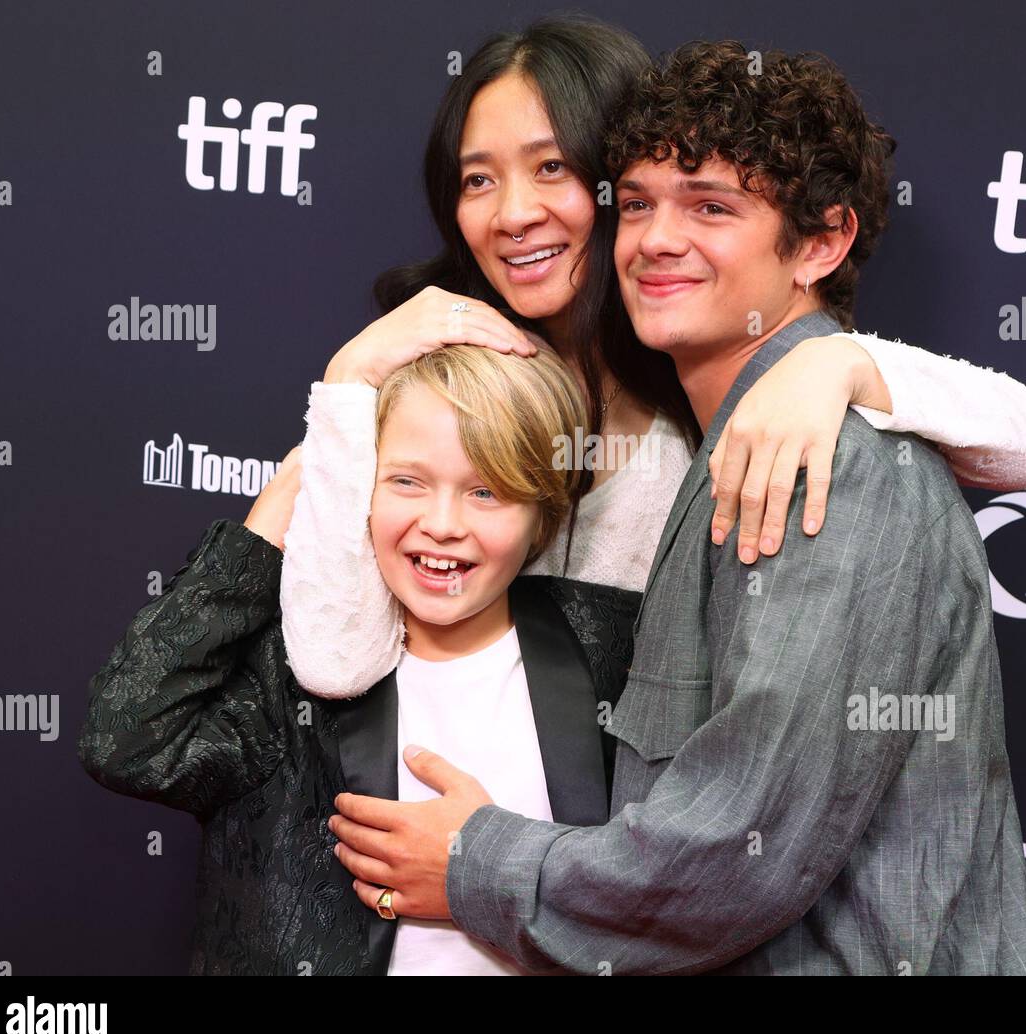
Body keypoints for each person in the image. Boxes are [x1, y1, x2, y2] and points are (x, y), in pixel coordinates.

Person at [330, 39, 1026, 976]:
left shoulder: (823, 466)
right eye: (641, 203)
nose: (657, 239)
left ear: (821, 243)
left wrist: (470, 862)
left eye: (711, 207)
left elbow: (736, 850)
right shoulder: (731, 444)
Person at [281, 13, 1026, 701]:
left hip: (606, 859)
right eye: (477, 179)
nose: (513, 214)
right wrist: (350, 383)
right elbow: (333, 659)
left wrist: (841, 365)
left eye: (551, 167)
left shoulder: (709, 404)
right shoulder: (426, 393)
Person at [76, 344, 640, 976]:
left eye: (487, 491)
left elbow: (683, 880)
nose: (443, 523)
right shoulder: (292, 669)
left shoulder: (611, 643)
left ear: (543, 515)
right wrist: (263, 533)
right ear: (354, 488)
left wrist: (480, 869)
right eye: (407, 481)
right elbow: (123, 744)